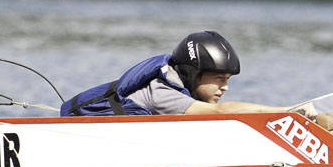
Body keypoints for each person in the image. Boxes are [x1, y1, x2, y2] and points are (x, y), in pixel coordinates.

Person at [61, 30, 311, 118]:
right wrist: (287, 111)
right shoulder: (163, 94)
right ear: (193, 75)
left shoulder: (176, 88)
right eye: (219, 79)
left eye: (227, 80)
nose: (225, 87)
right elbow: (221, 112)